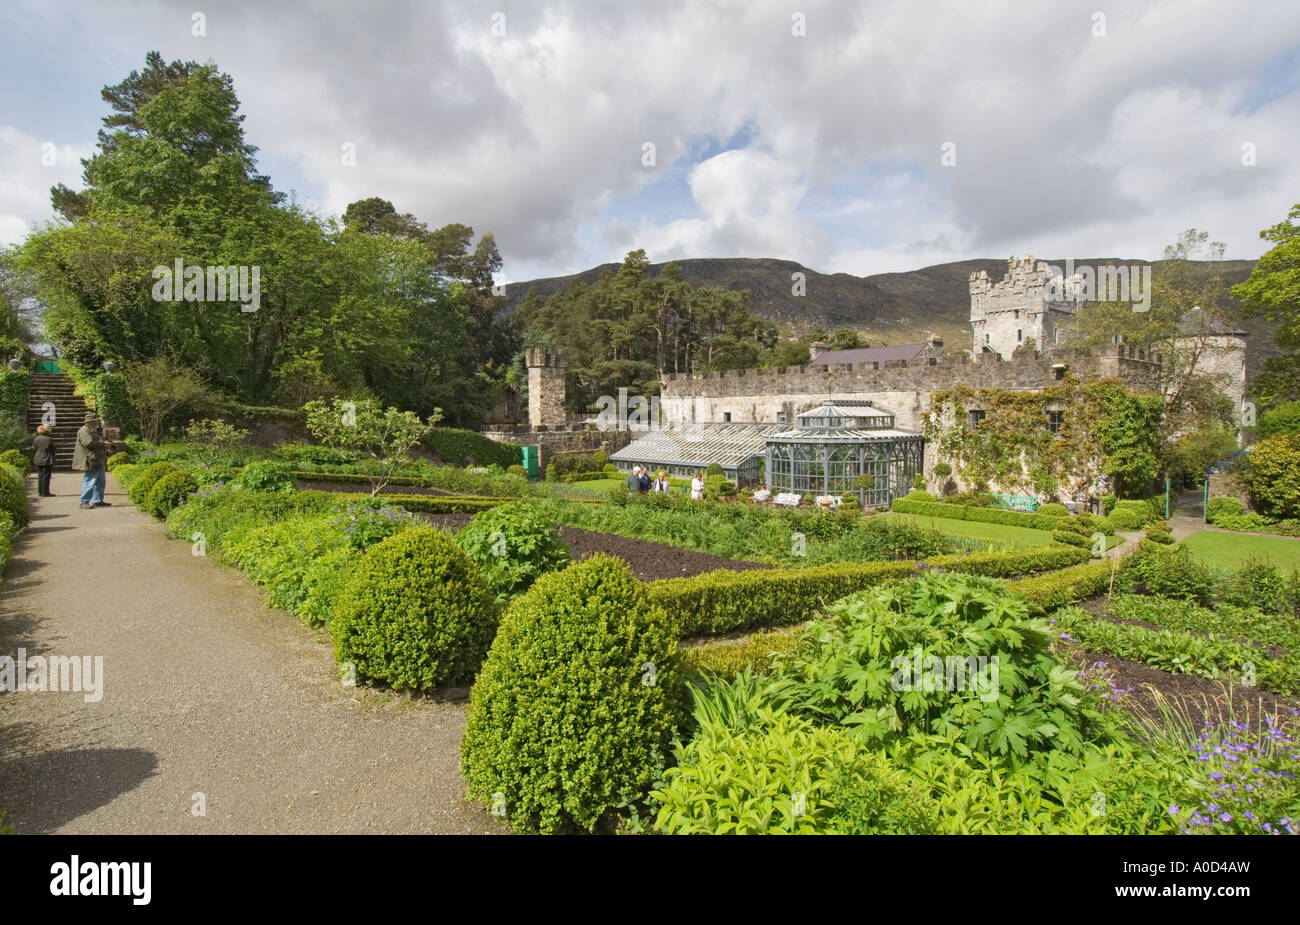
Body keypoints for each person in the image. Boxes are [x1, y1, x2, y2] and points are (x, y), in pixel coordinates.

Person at [73, 412, 109, 509]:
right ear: (89, 422)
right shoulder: (84, 431)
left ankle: (98, 500)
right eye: (95, 421)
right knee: (90, 480)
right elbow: (88, 443)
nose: (97, 423)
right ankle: (84, 502)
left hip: (98, 458)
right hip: (91, 459)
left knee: (100, 481)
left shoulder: (92, 430)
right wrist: (103, 444)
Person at [32, 423, 55, 497]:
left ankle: (40, 492)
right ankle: (45, 492)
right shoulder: (49, 439)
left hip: (38, 458)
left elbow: (34, 448)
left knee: (40, 475)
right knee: (46, 476)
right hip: (47, 459)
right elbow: (53, 449)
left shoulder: (36, 438)